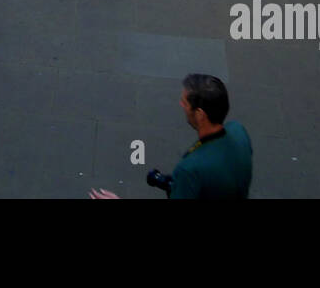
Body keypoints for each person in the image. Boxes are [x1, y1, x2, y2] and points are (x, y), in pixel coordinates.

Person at [90, 74, 251, 200]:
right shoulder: (238, 131)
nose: (181, 106)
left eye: (185, 103)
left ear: (200, 114)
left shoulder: (190, 170)